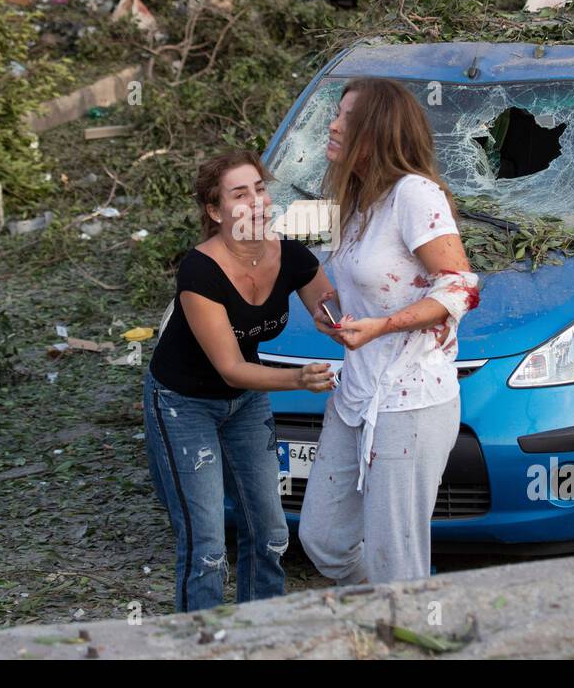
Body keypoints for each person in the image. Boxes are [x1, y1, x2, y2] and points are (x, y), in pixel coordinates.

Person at [298, 78, 479, 586]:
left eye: (346, 117)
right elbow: (368, 286)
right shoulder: (358, 201)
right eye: (336, 114)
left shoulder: (414, 195)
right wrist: (331, 310)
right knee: (323, 538)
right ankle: (390, 608)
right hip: (356, 395)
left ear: (376, 131)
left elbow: (461, 286)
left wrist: (383, 327)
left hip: (411, 401)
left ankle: (405, 625)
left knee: (395, 559)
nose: (332, 125)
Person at [143, 149, 336, 612]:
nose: (257, 202)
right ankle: (204, 643)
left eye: (260, 188)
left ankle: (260, 631)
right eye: (239, 194)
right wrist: (299, 379)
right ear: (215, 211)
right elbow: (230, 367)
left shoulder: (290, 254)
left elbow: (334, 313)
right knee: (207, 546)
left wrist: (364, 317)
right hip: (184, 405)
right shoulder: (199, 270)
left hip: (246, 403)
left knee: (270, 533)